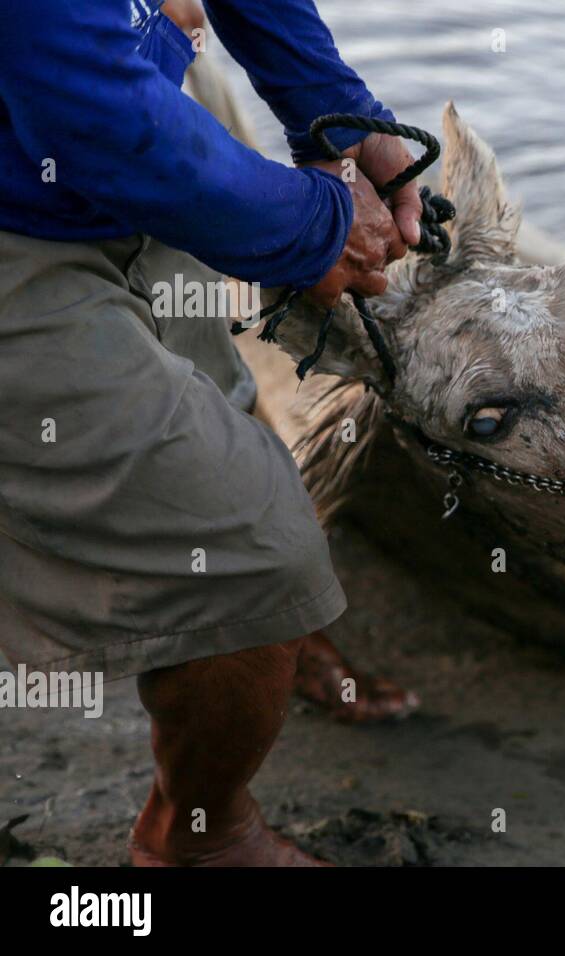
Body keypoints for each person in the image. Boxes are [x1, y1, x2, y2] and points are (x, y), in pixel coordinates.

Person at [0, 0, 419, 865]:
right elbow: (94, 120)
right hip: (41, 187)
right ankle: (203, 838)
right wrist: (317, 223)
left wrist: (339, 116)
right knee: (259, 554)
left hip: (108, 145)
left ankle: (230, 668)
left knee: (220, 410)